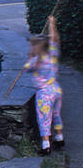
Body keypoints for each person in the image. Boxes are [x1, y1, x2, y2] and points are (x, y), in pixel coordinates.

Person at [24, 15, 64, 154]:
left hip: (44, 93)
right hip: (56, 89)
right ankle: (59, 137)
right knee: (56, 114)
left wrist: (30, 55)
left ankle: (45, 145)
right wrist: (52, 24)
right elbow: (54, 39)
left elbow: (27, 68)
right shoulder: (52, 54)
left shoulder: (35, 60)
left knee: (44, 118)